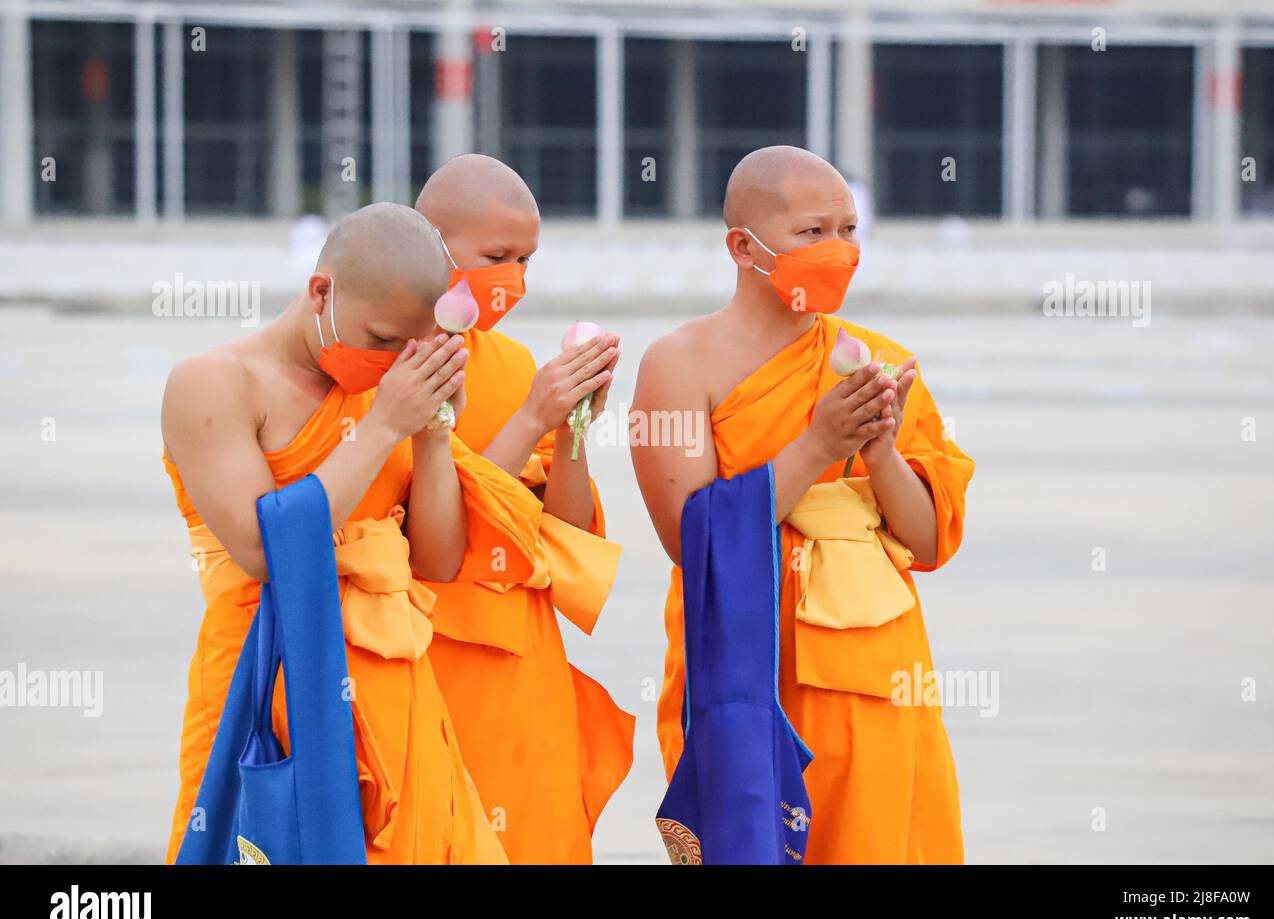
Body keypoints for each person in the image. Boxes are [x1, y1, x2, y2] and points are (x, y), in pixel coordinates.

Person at [631, 146, 975, 864]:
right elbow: (688, 537)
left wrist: (877, 450)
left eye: (849, 231)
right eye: (813, 233)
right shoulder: (679, 363)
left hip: (882, 679)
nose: (839, 251)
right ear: (743, 247)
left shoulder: (876, 359)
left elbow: (931, 542)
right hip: (751, 678)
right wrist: (818, 446)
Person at [161, 202, 525, 864]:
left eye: (409, 348)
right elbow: (265, 551)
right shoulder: (213, 384)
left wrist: (434, 433)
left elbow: (437, 563)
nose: (390, 362)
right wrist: (385, 424)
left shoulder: (394, 396)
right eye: (380, 338)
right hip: (260, 677)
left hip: (395, 688)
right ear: (320, 291)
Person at [411, 155, 634, 864]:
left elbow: (562, 535)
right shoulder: (389, 363)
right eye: (496, 256)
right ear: (430, 245)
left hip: (526, 658)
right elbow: (427, 535)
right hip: (437, 649)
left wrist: (570, 428)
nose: (514, 277)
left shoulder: (508, 362)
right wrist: (533, 414)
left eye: (527, 258)